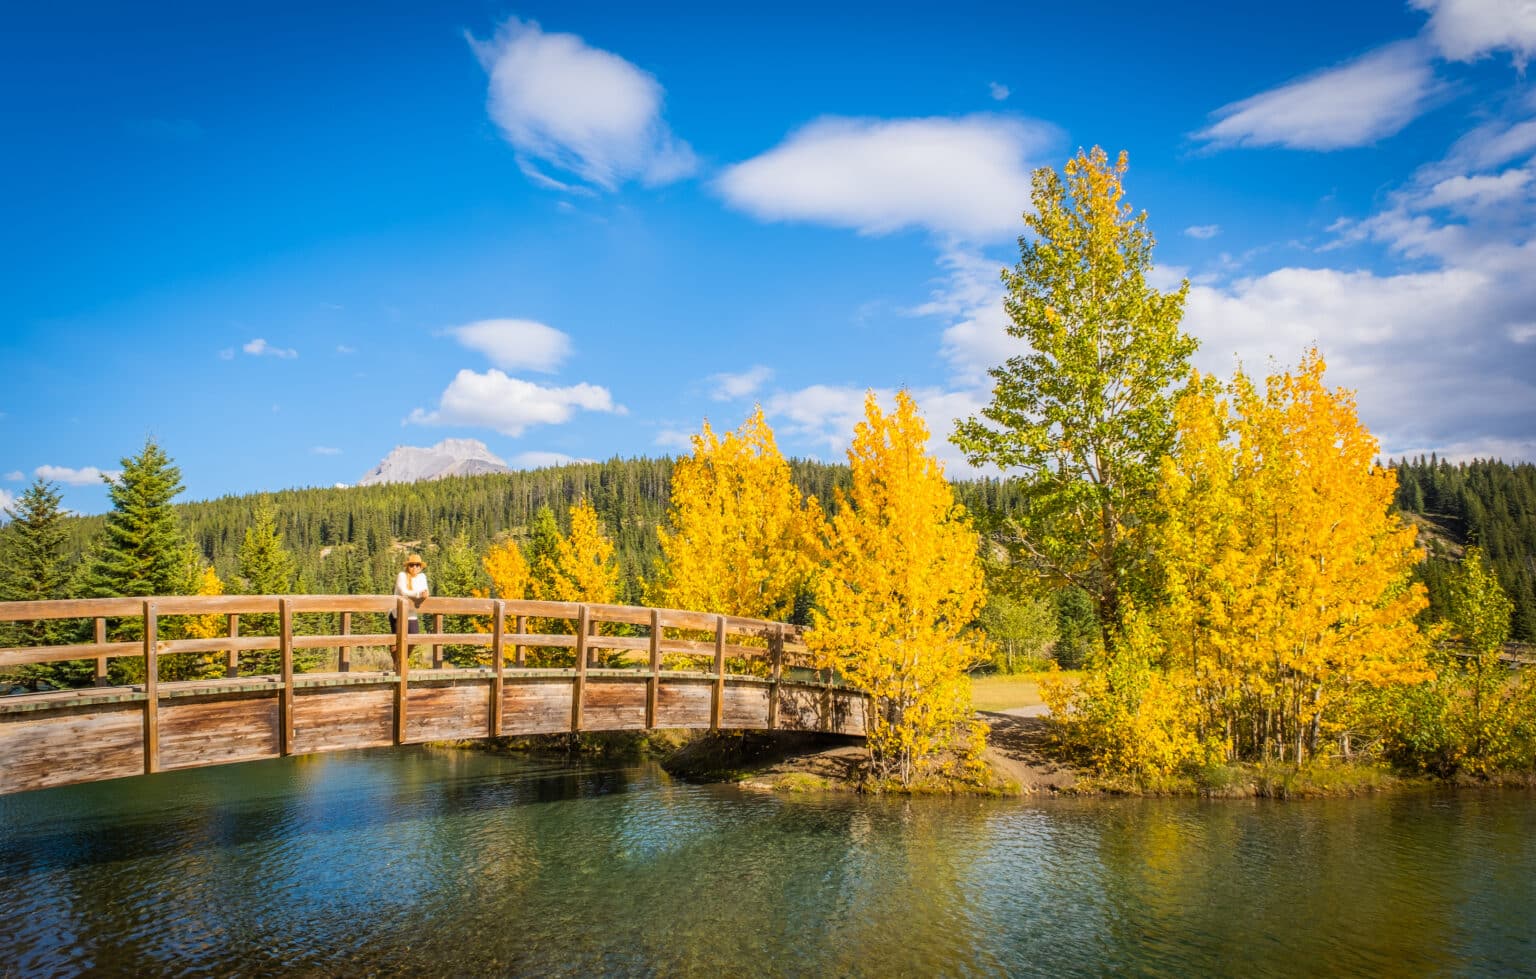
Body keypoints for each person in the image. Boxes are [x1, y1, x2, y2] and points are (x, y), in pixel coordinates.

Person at [391, 553, 429, 634]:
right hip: (398, 613)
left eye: (417, 565)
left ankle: (406, 648)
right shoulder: (402, 575)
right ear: (407, 567)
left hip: (412, 612)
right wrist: (419, 594)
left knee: (414, 638)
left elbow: (425, 591)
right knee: (398, 642)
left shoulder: (422, 576)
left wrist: (424, 595)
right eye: (412, 565)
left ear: (421, 567)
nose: (415, 567)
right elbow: (404, 592)